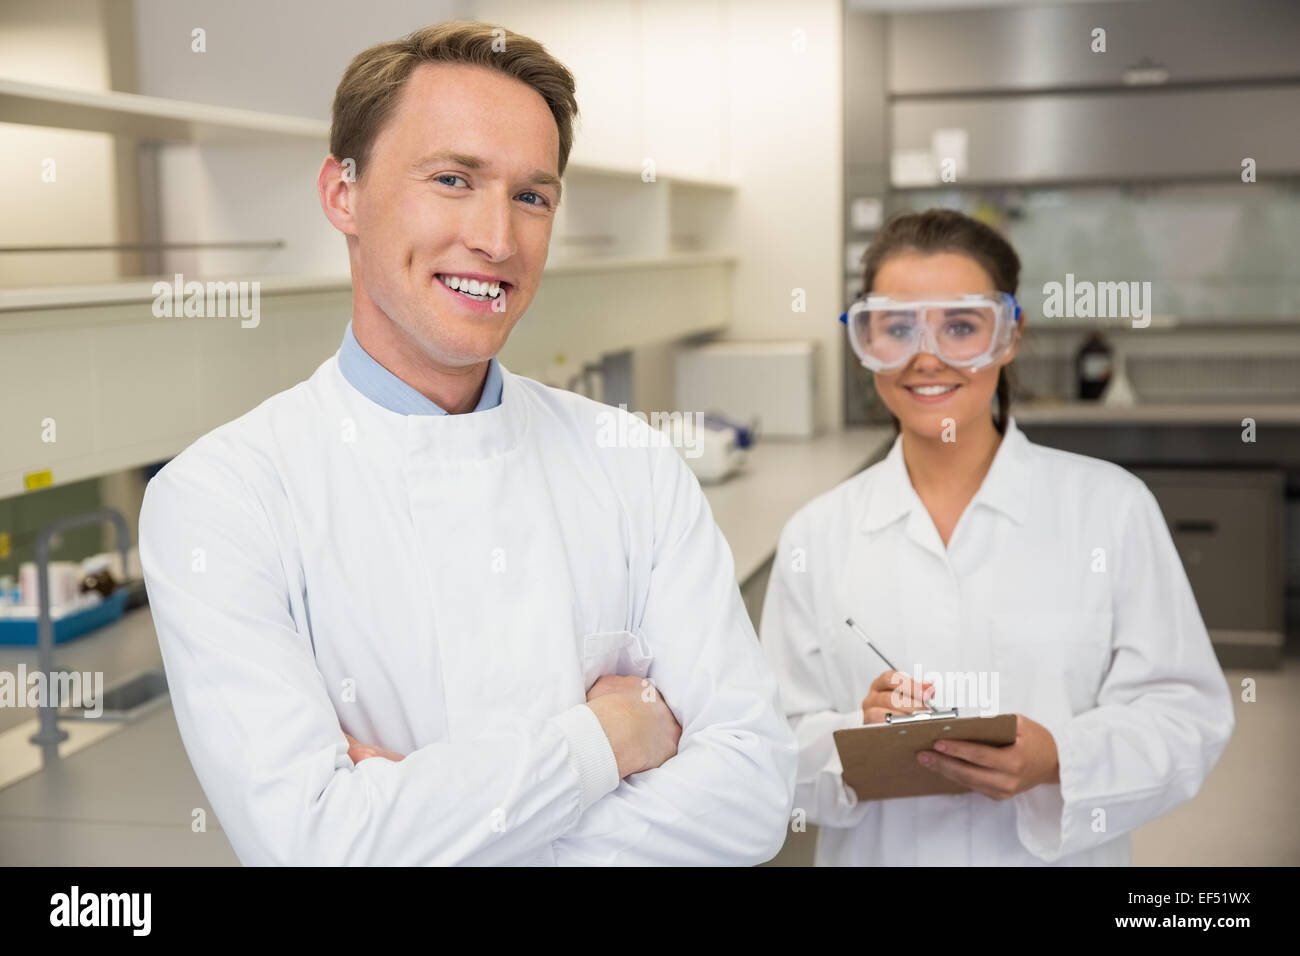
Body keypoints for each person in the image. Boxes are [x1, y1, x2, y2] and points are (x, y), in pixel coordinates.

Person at [138, 22, 796, 866]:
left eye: (533, 196)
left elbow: (752, 797)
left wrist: (421, 814)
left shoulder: (629, 461)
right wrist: (608, 742)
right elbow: (316, 845)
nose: (497, 238)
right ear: (344, 194)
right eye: (453, 179)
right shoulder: (223, 498)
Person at [760, 208, 1234, 865]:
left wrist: (1056, 759)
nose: (926, 356)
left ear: (1009, 337)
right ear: (866, 340)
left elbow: (1187, 718)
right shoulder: (817, 533)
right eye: (896, 327)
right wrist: (853, 738)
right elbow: (770, 745)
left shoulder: (1111, 509)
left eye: (960, 326)